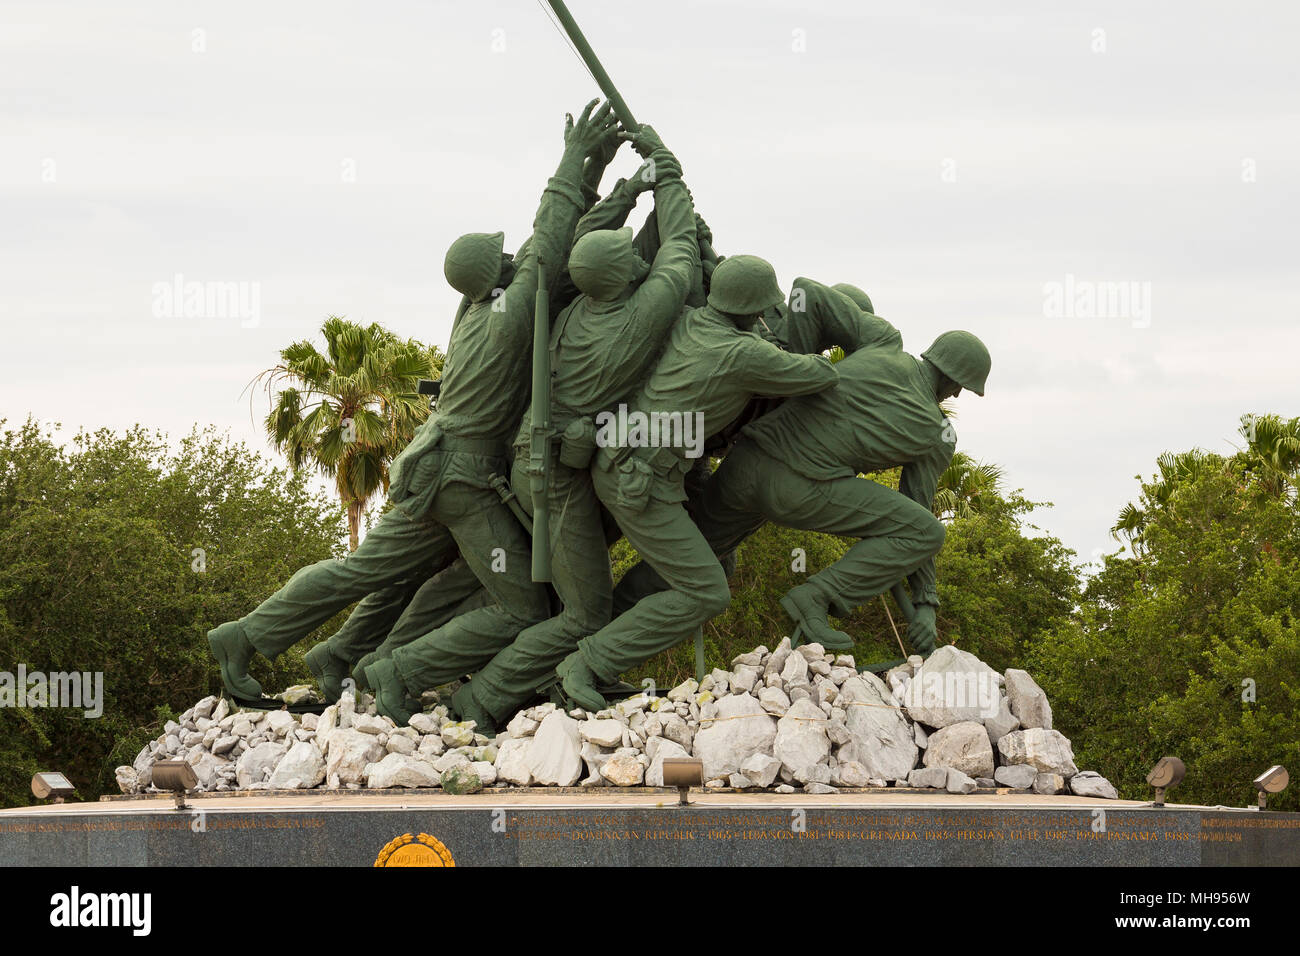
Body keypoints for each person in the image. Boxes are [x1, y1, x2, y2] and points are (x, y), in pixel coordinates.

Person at [207, 99, 618, 701]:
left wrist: (593, 169)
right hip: (464, 480)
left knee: (376, 571)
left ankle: (301, 646)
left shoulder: (474, 310)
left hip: (433, 466)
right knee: (524, 606)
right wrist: (575, 158)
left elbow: (543, 245)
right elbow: (549, 240)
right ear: (498, 271)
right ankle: (388, 672)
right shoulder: (509, 314)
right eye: (505, 255)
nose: (514, 256)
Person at [369, 124, 701, 726]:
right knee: (579, 612)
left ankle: (481, 682)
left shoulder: (566, 308)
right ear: (629, 274)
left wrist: (625, 186)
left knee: (534, 593)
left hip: (529, 465)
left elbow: (562, 247)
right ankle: (461, 689)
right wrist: (668, 173)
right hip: (549, 475)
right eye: (631, 253)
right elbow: (676, 249)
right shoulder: (639, 315)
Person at [553, 255, 841, 711]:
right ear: (753, 310)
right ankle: (585, 665)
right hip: (641, 481)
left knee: (707, 567)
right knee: (706, 591)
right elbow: (821, 374)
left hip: (626, 463)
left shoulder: (687, 320)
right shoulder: (744, 354)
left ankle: (589, 659)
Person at [692, 279, 991, 652]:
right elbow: (918, 518)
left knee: (685, 557)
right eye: (962, 386)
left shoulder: (883, 341)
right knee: (925, 532)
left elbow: (806, 293)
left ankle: (598, 641)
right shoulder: (938, 434)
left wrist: (793, 379)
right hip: (798, 489)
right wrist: (925, 603)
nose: (958, 394)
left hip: (747, 461)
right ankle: (816, 596)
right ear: (955, 379)